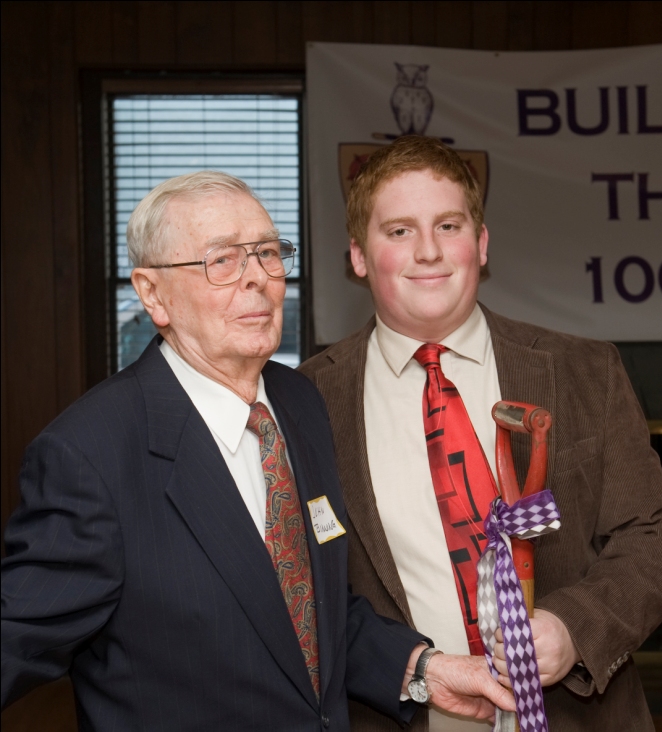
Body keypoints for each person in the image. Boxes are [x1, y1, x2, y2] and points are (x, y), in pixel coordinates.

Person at [0, 171, 513, 731]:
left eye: (268, 253)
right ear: (152, 293)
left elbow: (309, 615)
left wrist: (422, 669)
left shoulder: (299, 402)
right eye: (221, 260)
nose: (258, 280)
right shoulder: (89, 455)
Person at [298, 136, 662, 731]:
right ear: (358, 256)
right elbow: (302, 596)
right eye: (399, 231)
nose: (428, 251)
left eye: (449, 225)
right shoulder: (305, 402)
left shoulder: (586, 371)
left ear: (481, 245)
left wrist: (571, 628)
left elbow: (658, 538)